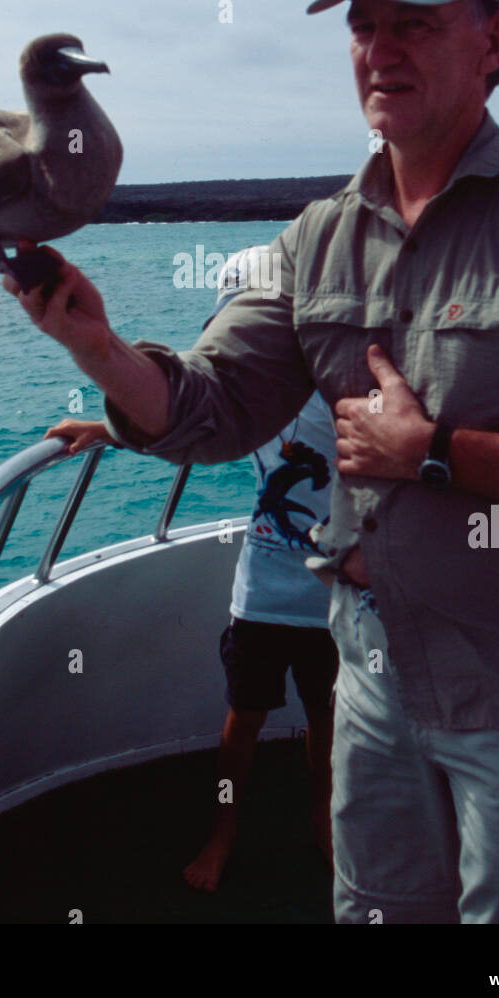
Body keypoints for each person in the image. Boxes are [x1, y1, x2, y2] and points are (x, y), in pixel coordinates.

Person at [3, 0, 499, 924]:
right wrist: (95, 346)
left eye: (414, 22)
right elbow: (211, 408)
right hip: (374, 675)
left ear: (493, 40)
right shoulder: (315, 240)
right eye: (363, 25)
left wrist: (435, 453)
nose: (379, 50)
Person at [181, 247, 338, 892]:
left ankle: (325, 821)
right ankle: (222, 831)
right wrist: (109, 428)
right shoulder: (246, 401)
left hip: (333, 595)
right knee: (242, 721)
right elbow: (179, 417)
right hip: (263, 595)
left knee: (329, 720)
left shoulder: (342, 390)